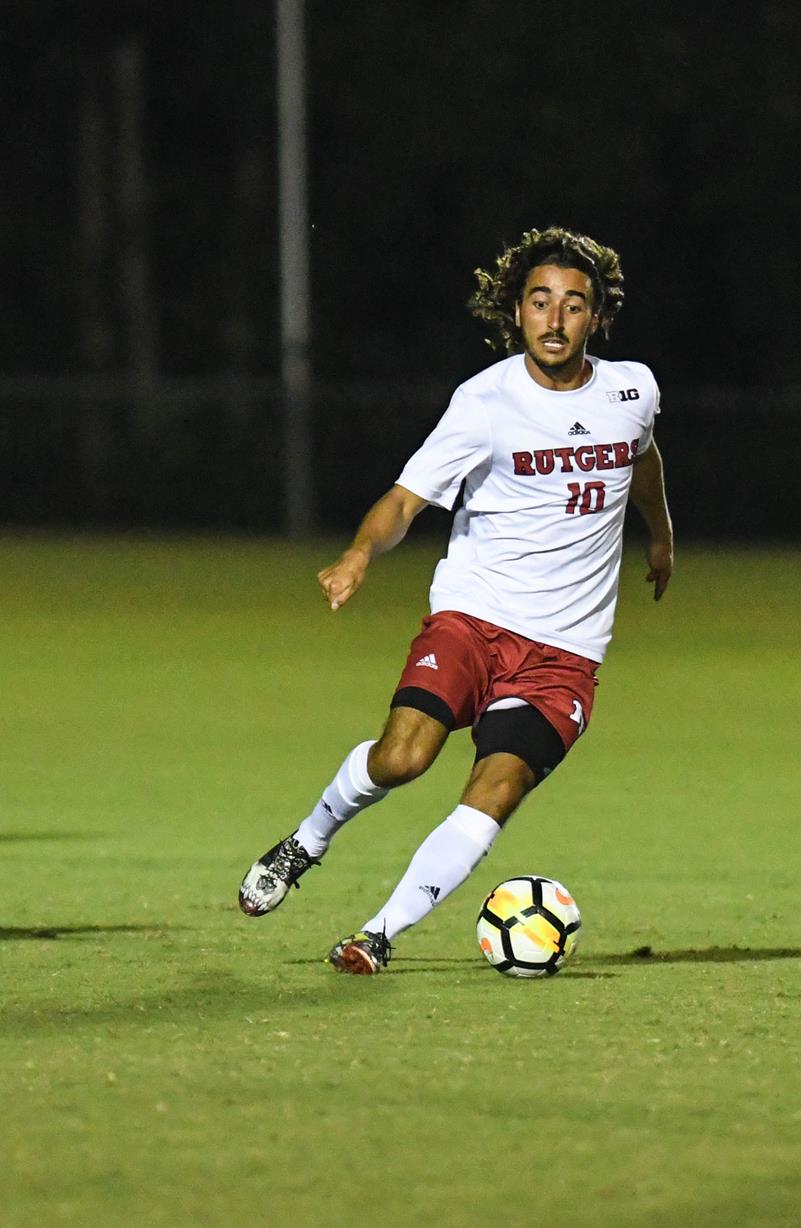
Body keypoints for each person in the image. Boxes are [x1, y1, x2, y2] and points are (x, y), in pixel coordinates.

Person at [238, 225, 673, 974]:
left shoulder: (633, 388)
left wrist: (662, 535)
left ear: (596, 317)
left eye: (574, 304)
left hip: (564, 655)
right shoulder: (484, 402)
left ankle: (376, 934)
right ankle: (307, 840)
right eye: (540, 302)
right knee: (404, 758)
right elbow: (407, 501)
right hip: (475, 620)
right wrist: (358, 553)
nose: (556, 319)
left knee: (494, 790)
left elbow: (642, 457)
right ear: (518, 313)